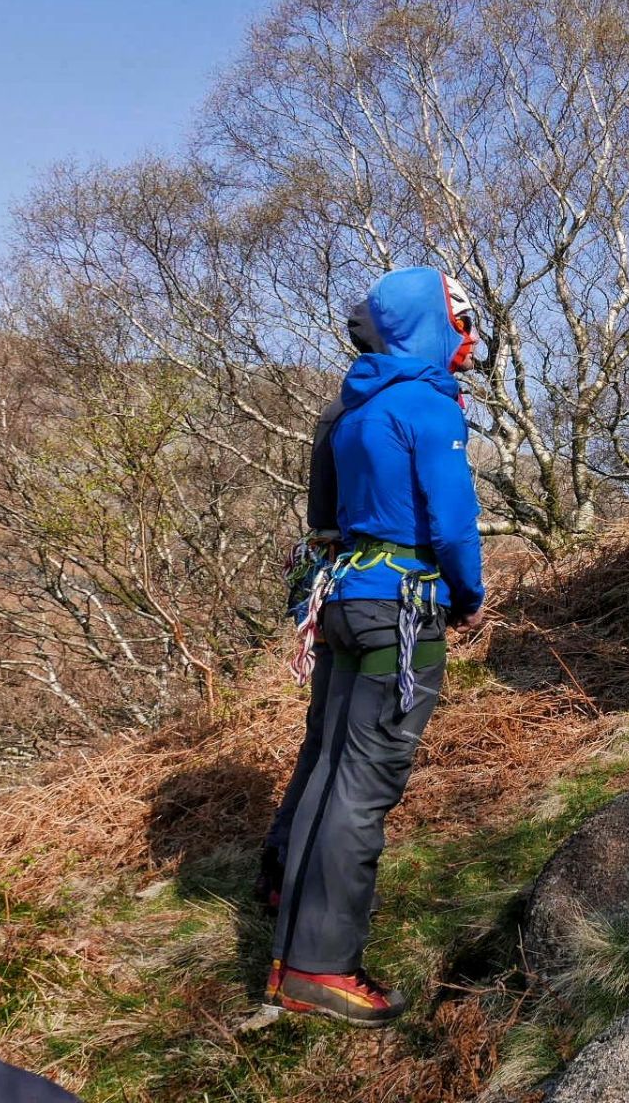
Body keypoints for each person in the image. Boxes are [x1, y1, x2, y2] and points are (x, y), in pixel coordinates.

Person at [267, 266, 487, 1026]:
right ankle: (319, 968)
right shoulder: (428, 408)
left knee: (330, 766)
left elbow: (328, 513)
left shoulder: (352, 407)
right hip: (403, 609)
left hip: (345, 603)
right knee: (363, 788)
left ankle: (290, 923)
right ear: (433, 324)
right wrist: (469, 596)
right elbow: (454, 523)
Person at [255, 299, 386, 916]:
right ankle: (294, 876)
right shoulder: (363, 411)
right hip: (360, 584)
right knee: (335, 747)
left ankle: (282, 867)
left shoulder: (343, 406)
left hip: (332, 584)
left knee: (324, 741)